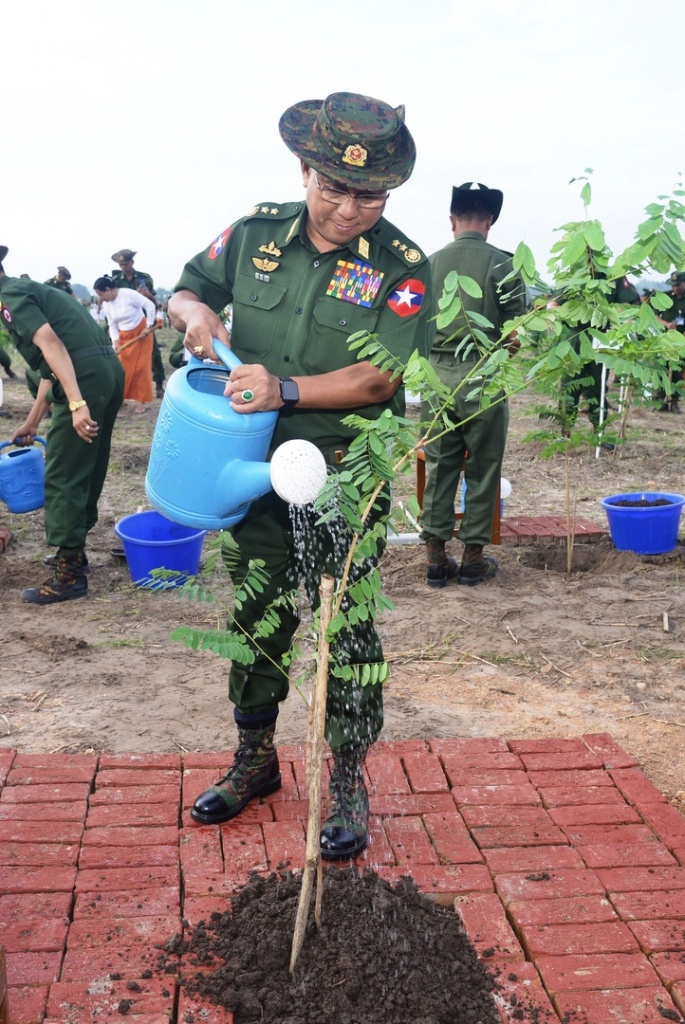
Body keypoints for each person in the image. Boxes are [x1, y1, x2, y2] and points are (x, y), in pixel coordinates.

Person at [168, 91, 433, 861]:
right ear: (304, 168)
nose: (350, 208)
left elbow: (379, 380)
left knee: (346, 625)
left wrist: (285, 390)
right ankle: (254, 760)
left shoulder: (403, 268)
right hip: (249, 467)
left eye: (370, 195)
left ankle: (346, 776)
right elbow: (188, 287)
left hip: (344, 474)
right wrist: (193, 315)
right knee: (256, 615)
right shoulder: (251, 232)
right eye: (333, 188)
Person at [0, 245, 124, 603]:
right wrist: (32, 421)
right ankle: (75, 552)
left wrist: (76, 402)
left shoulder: (8, 297)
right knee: (87, 463)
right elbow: (48, 367)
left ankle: (69, 574)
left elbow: (51, 345)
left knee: (63, 472)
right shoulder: (32, 290)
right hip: (104, 373)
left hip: (85, 377)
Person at [420, 182, 527, 588]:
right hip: (484, 375)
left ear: (452, 221)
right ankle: (473, 559)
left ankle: (435, 558)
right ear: (490, 221)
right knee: (483, 468)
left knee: (440, 466)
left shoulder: (428, 264)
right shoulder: (505, 265)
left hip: (435, 377)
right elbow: (517, 333)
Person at [93, 275, 157, 412]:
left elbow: (150, 306)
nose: (101, 298)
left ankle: (141, 403)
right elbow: (112, 324)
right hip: (124, 337)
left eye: (101, 294)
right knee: (121, 370)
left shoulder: (128, 294)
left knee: (140, 369)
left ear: (108, 289)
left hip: (141, 335)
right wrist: (115, 342)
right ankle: (119, 399)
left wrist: (148, 326)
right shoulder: (107, 304)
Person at [110, 249, 165, 398]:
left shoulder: (144, 278)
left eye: (125, 264)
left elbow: (153, 302)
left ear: (132, 263)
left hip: (143, 321)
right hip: (123, 321)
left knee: (154, 353)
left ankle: (159, 384)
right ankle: (121, 387)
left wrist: (148, 296)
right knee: (120, 352)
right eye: (120, 265)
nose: (123, 267)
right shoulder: (115, 280)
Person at [655, 270, 685, 413]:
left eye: (678, 285)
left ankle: (674, 402)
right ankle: (661, 401)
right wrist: (667, 324)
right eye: (673, 285)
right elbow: (654, 316)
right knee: (662, 369)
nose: (675, 288)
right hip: (664, 340)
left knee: (678, 372)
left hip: (681, 342)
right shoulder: (665, 297)